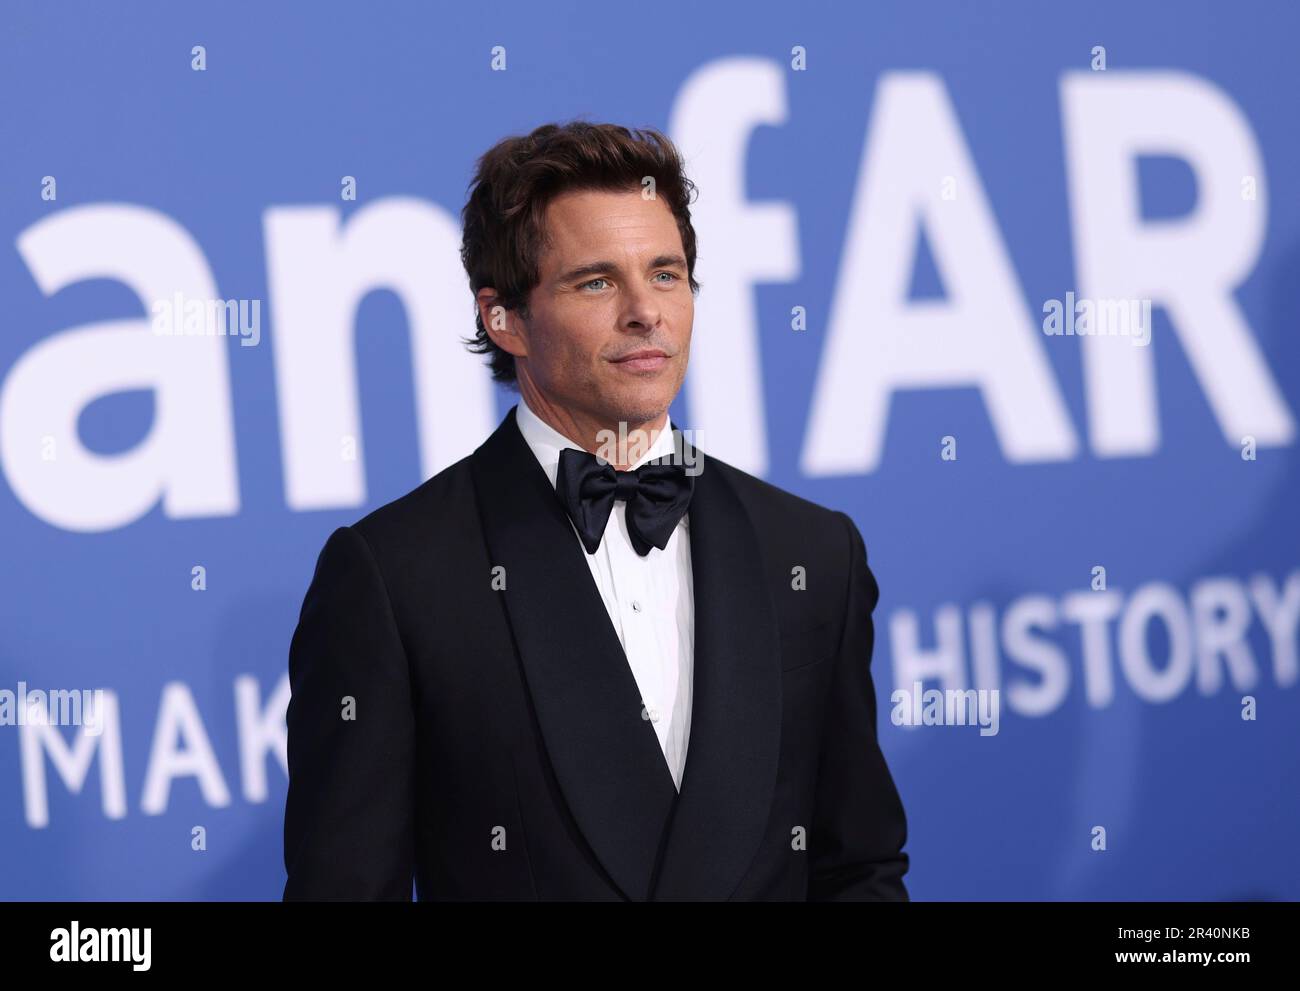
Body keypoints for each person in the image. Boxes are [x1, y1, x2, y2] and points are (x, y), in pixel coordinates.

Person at [282, 121, 909, 901]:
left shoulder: (813, 552)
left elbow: (858, 868)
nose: (647, 312)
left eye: (667, 274)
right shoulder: (397, 577)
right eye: (597, 282)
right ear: (504, 318)